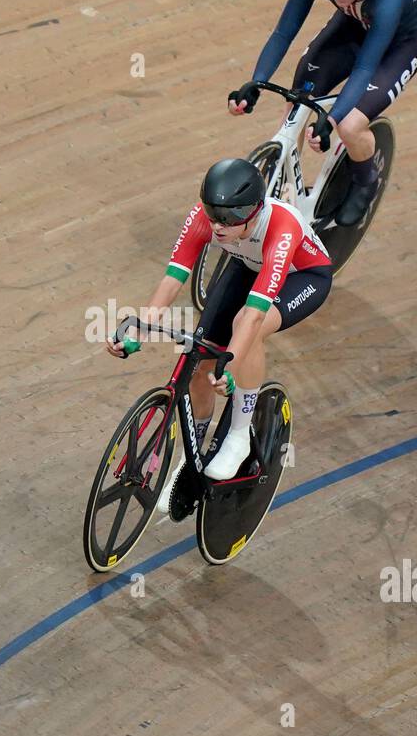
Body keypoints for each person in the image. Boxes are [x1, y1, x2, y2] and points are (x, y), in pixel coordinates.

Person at [106, 159, 332, 512]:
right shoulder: (204, 218)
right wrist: (140, 328)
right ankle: (192, 456)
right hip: (248, 265)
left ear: (255, 211)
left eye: (230, 217)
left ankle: (239, 435)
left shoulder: (282, 226)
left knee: (247, 327)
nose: (219, 226)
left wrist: (232, 365)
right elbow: (172, 278)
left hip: (303, 277)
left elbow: (255, 313)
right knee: (200, 360)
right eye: (214, 214)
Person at [227, 0, 417, 226]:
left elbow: (364, 67)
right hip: (356, 26)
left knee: (349, 126)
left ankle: (366, 183)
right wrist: (256, 82)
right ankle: (284, 189)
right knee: (297, 101)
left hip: (401, 43)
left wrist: (331, 120)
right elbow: (283, 33)